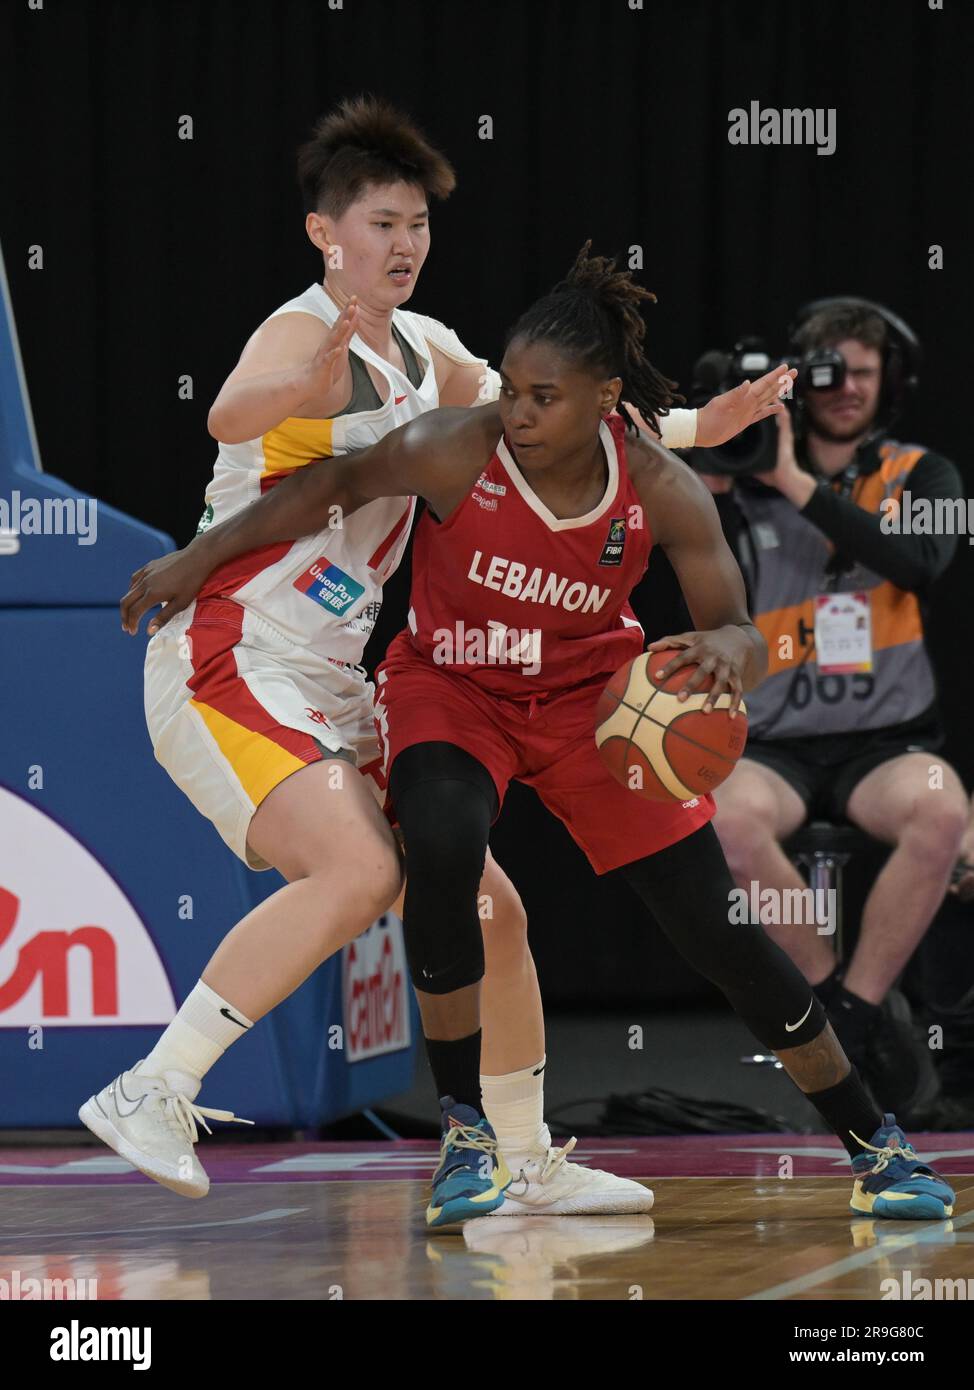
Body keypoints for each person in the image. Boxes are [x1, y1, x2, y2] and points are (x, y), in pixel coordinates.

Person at [123, 244, 956, 1229]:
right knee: (437, 844)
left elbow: (731, 618)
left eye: (542, 398)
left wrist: (729, 653)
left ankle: (873, 1144)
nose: (516, 413)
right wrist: (193, 559)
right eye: (510, 389)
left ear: (605, 400)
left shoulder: (659, 487)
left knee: (716, 930)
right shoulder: (454, 444)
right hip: (449, 685)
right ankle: (466, 1135)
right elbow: (320, 488)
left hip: (587, 701)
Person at [84, 97, 783, 1214]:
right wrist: (301, 392)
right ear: (326, 233)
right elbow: (228, 415)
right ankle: (155, 1086)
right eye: (378, 223)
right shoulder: (296, 329)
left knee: (487, 908)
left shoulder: (428, 349)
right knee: (358, 873)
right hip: (232, 651)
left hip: (330, 678)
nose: (402, 243)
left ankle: (520, 1160)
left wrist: (707, 423)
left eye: (415, 223)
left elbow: (577, 416)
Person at [700, 298, 966, 1119]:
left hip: (886, 743)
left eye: (863, 368)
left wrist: (795, 483)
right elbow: (663, 554)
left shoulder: (922, 474)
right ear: (797, 384)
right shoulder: (746, 473)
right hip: (775, 739)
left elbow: (920, 563)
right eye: (827, 371)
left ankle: (853, 1013)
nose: (846, 386)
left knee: (942, 811)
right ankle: (833, 1004)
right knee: (724, 821)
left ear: (890, 379)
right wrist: (711, 469)